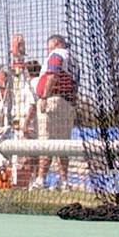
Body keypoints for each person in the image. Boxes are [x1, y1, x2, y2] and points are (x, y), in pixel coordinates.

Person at [34, 35, 78, 189]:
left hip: (53, 101)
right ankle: (64, 181)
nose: (47, 50)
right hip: (68, 105)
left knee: (46, 141)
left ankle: (41, 180)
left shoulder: (57, 54)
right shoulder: (73, 60)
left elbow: (52, 74)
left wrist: (45, 96)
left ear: (56, 43)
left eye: (48, 47)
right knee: (63, 144)